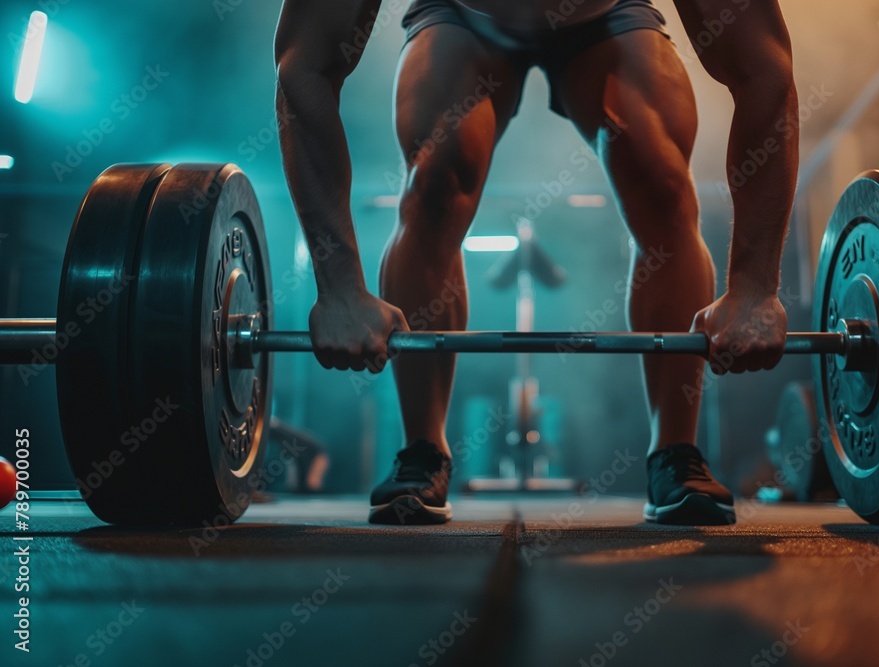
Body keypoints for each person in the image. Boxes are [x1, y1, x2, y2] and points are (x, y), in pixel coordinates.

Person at [273, 0, 798, 526]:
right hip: (464, 16)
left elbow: (763, 68)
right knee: (438, 176)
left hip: (605, 17)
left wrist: (755, 286)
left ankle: (675, 453)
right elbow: (305, 65)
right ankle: (423, 450)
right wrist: (339, 285)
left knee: (659, 177)